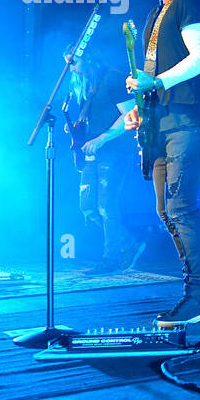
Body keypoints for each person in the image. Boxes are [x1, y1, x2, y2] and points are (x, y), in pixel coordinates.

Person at [124, 0, 200, 327]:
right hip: (159, 122)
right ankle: (197, 290)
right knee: (166, 210)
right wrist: (139, 106)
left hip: (188, 122)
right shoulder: (153, 16)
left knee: (181, 208)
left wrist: (157, 81)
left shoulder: (188, 2)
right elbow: (151, 78)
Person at [66, 41, 145, 275]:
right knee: (88, 206)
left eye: (73, 62)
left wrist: (102, 138)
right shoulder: (85, 85)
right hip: (93, 151)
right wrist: (78, 129)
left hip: (115, 149)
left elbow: (131, 114)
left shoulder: (111, 78)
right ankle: (129, 244)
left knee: (106, 206)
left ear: (87, 58)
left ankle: (111, 259)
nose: (71, 69)